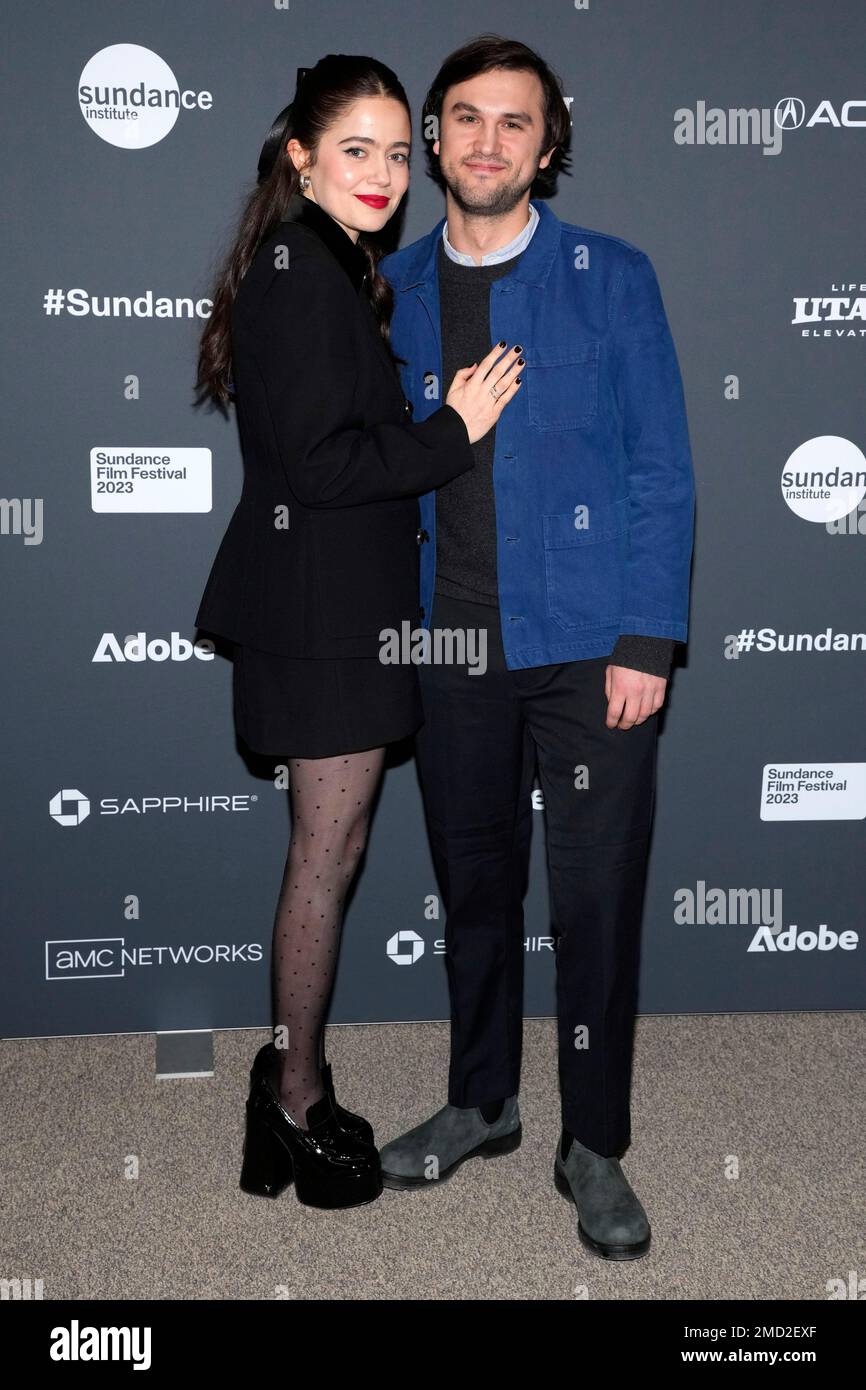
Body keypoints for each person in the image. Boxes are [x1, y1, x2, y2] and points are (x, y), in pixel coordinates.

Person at [377, 35, 696, 1259]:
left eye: (514, 122)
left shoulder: (611, 277)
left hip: (586, 646)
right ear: (434, 139)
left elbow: (660, 466)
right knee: (472, 889)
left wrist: (645, 638)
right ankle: (483, 1101)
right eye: (465, 119)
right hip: (448, 639)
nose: (488, 142)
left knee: (596, 896)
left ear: (547, 144)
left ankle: (593, 1142)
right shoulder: (391, 287)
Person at [193, 53, 523, 1210]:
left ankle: (280, 1097)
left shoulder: (333, 265)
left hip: (333, 611)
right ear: (301, 157)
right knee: (322, 866)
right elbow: (319, 464)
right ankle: (292, 1103)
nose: (383, 173)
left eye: (396, 152)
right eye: (356, 150)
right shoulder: (299, 271)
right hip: (318, 623)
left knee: (324, 862)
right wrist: (453, 428)